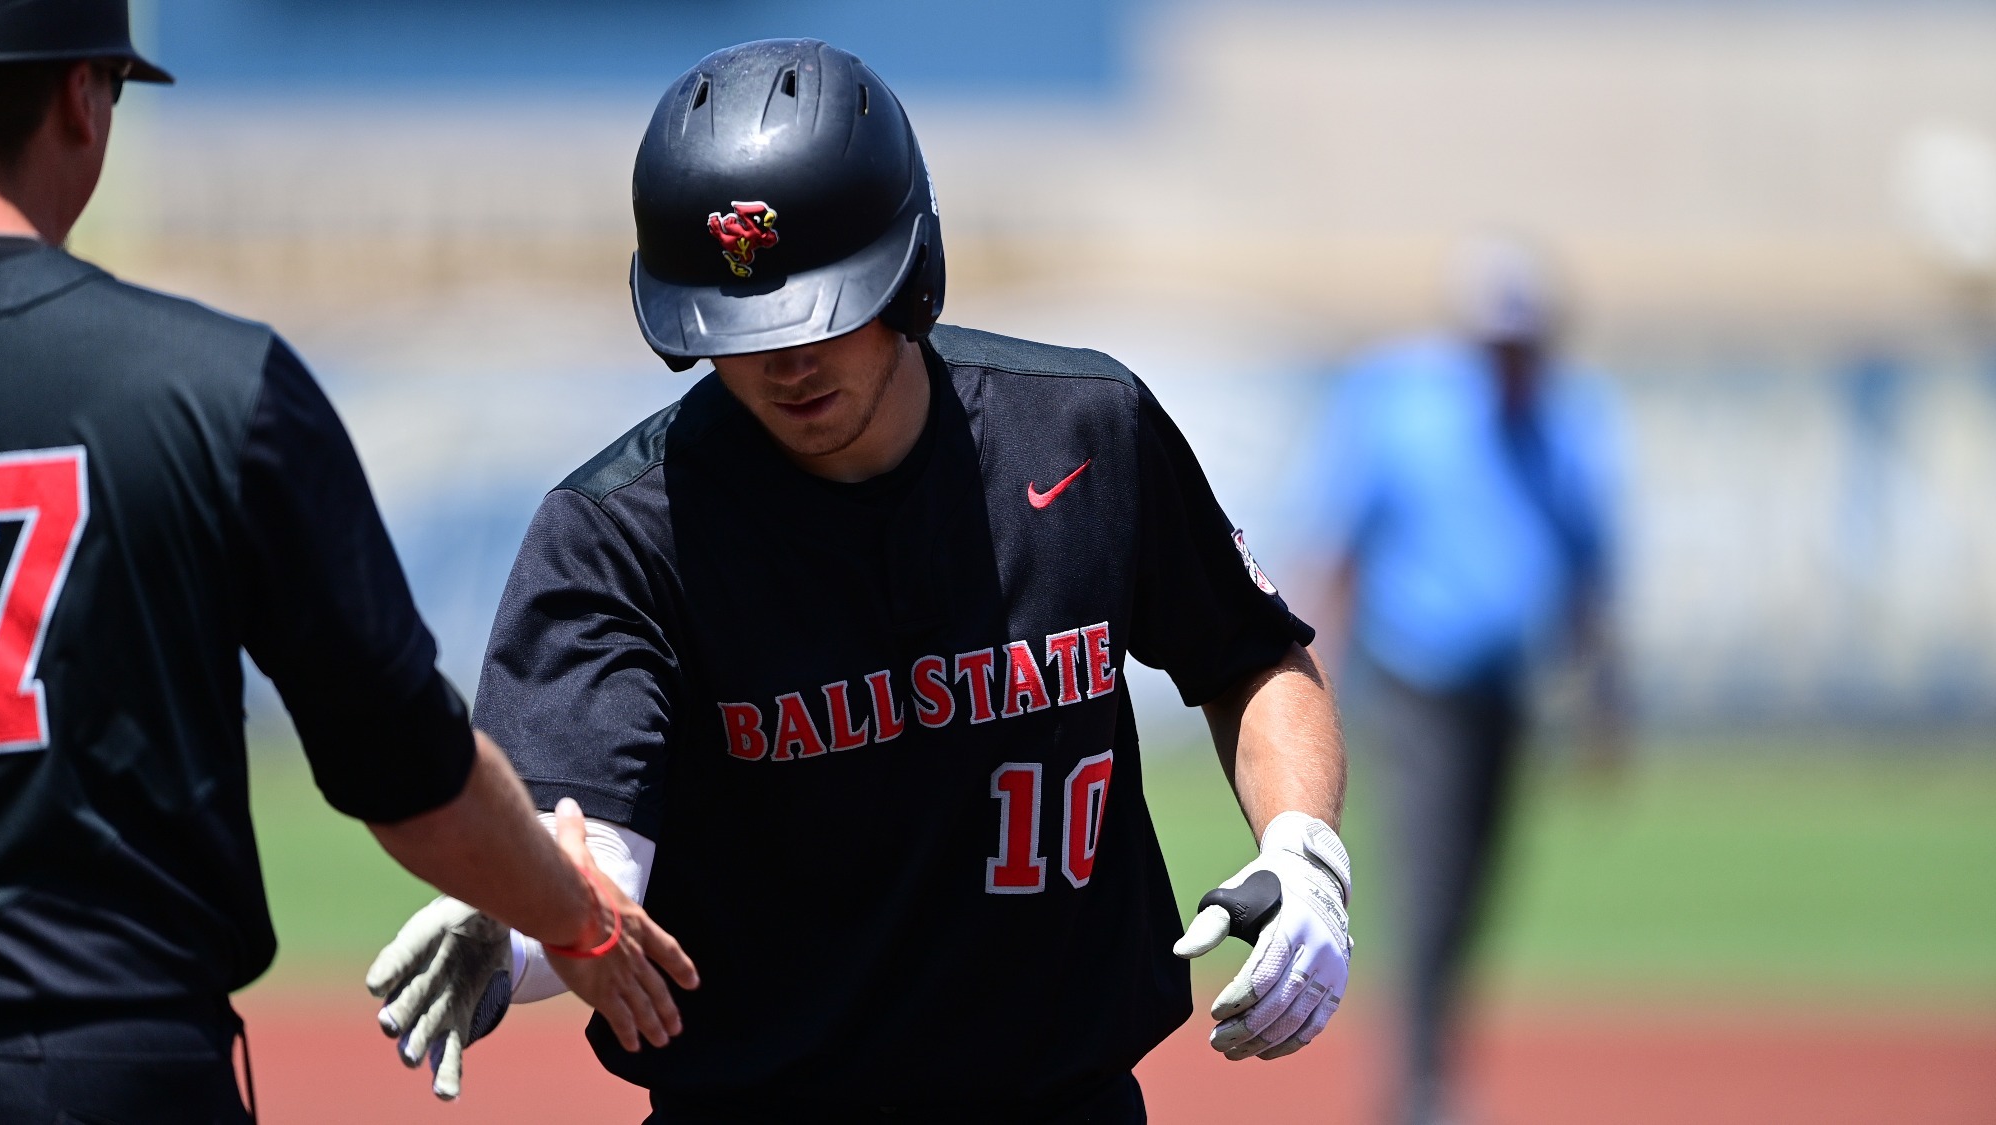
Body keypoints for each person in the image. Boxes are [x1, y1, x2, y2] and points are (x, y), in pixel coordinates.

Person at [366, 38, 1354, 1123]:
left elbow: (1249, 655)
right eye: (739, 330)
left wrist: (1303, 850)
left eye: (825, 312)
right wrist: (521, 923)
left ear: (912, 270)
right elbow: (596, 842)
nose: (787, 364)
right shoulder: (619, 535)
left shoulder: (1081, 429)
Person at [0, 3, 693, 1120]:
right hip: (106, 1061)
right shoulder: (209, 387)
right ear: (84, 96)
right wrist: (581, 921)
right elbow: (412, 780)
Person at [1291, 236, 1625, 1125]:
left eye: (1523, 344)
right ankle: (1418, 1087)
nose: (1509, 361)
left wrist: (1604, 696)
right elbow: (1339, 549)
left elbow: (1592, 571)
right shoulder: (1404, 407)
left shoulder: (1569, 427)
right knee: (1432, 882)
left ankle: (1427, 1067)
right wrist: (1305, 680)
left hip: (1507, 694)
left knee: (1477, 883)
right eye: (1495, 343)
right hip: (1416, 683)